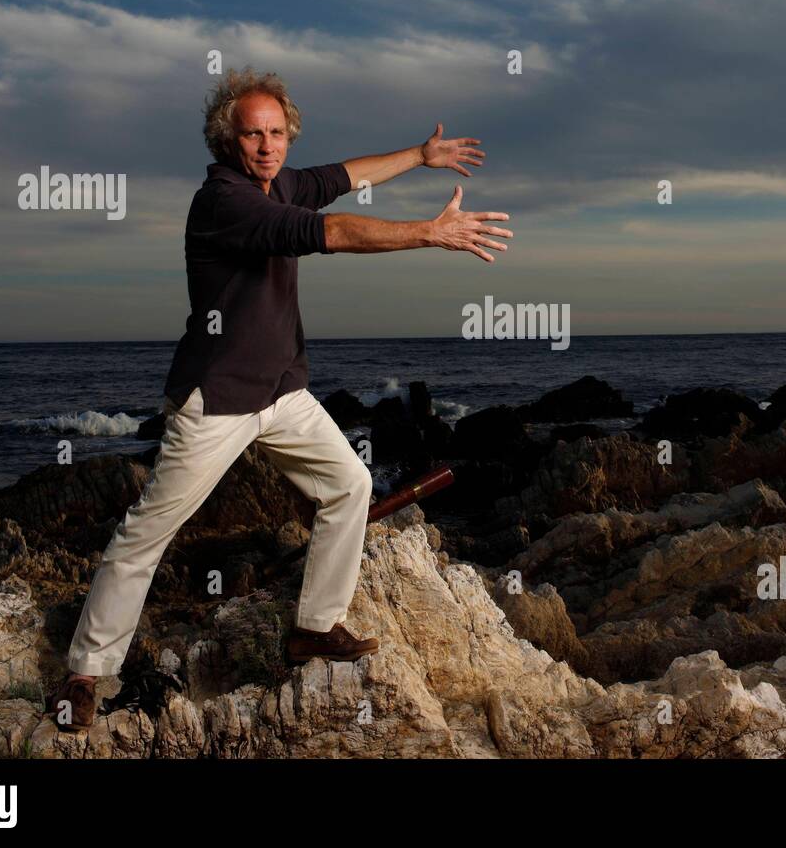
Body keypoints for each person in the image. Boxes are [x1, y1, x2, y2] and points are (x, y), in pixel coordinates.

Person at [47, 67, 512, 731]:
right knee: (148, 531)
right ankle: (85, 672)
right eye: (251, 135)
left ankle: (315, 626)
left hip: (282, 392)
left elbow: (345, 175)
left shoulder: (285, 181)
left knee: (349, 485)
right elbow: (334, 232)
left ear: (287, 134)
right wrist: (427, 233)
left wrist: (420, 155)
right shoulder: (226, 202)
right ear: (226, 140)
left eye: (275, 133)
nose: (266, 146)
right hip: (218, 399)